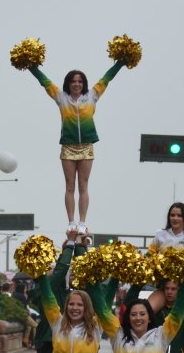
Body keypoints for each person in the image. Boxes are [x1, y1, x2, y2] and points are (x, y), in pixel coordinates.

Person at [26, 60, 126, 232]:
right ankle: (71, 221)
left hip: (87, 146)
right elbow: (45, 82)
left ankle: (82, 222)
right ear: (68, 83)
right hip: (68, 146)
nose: (77, 84)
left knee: (83, 185)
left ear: (84, 84)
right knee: (70, 185)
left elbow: (106, 79)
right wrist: (31, 66)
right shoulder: (61, 97)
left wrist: (121, 62)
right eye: (73, 81)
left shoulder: (92, 95)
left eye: (80, 81)